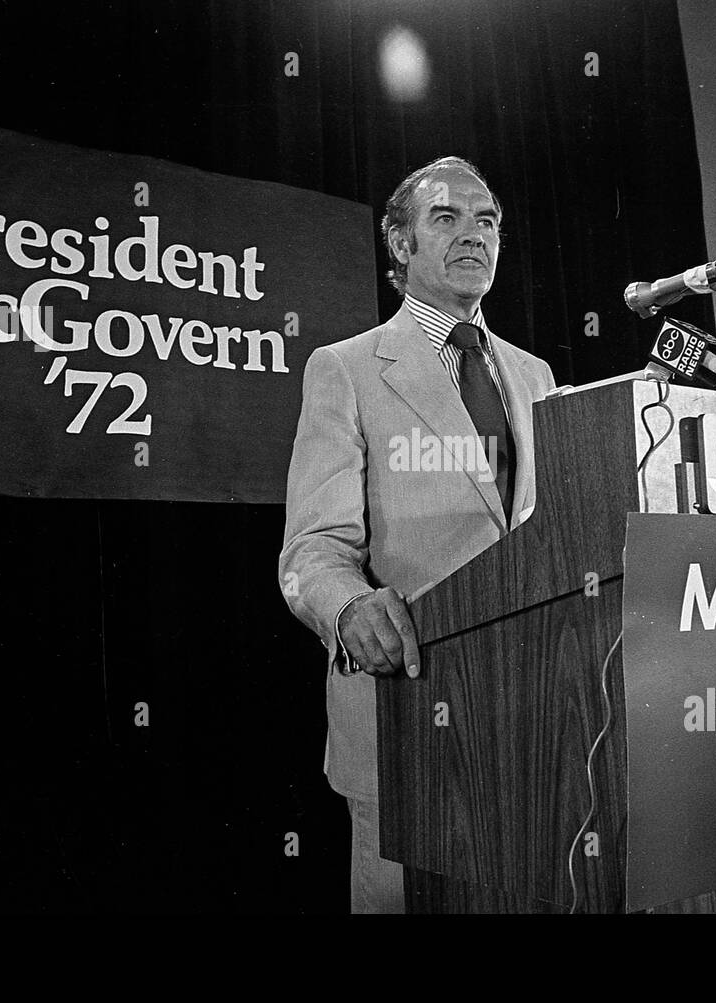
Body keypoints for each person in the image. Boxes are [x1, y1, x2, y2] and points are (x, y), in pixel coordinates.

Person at [278, 157, 556, 913]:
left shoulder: (536, 376)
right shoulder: (345, 369)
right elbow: (313, 550)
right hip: (406, 724)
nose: (474, 234)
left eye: (487, 219)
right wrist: (347, 608)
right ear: (398, 246)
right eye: (447, 218)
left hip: (532, 717)